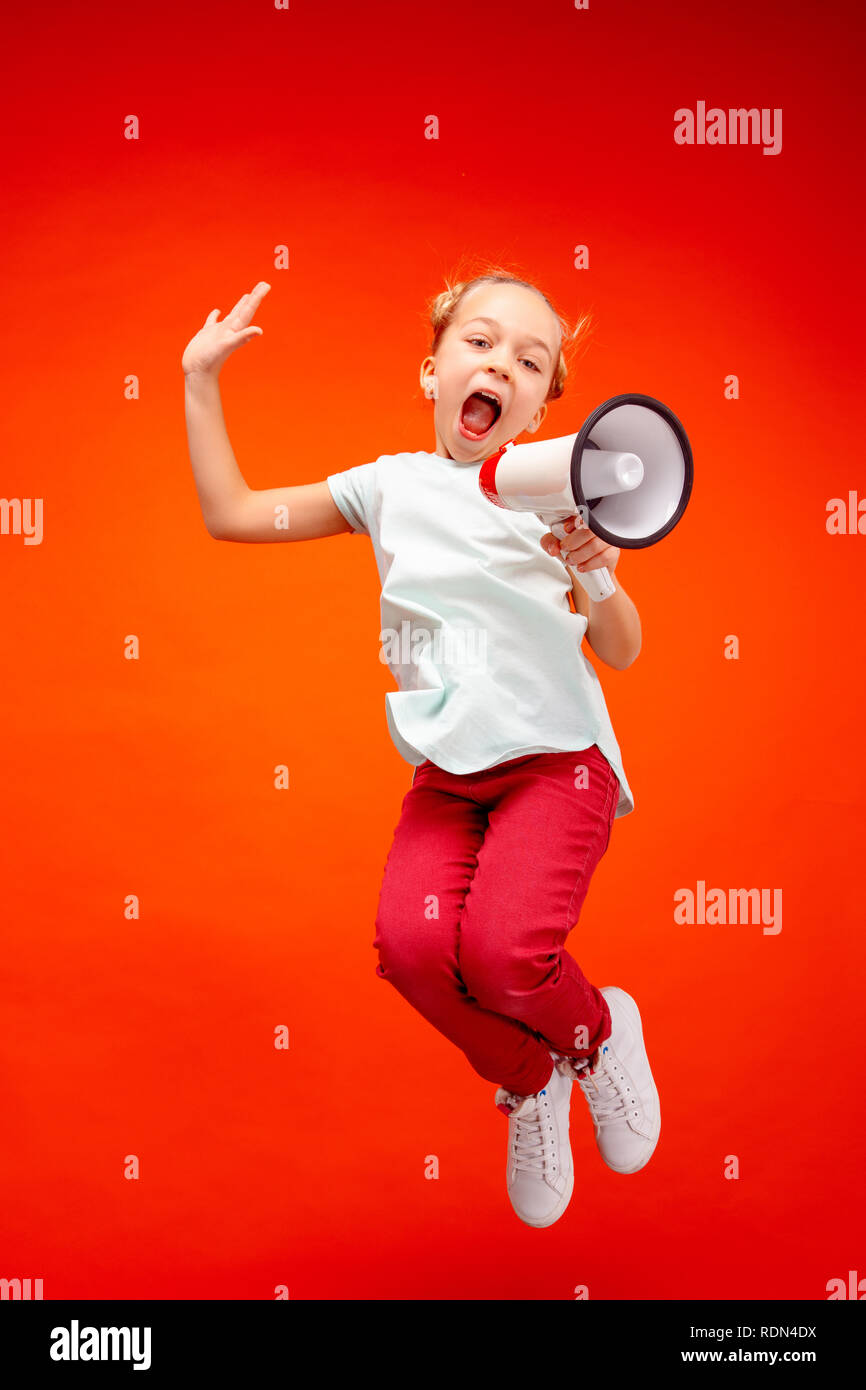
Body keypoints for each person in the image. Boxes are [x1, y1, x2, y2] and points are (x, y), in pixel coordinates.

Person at [182, 264, 660, 1229]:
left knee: (501, 953)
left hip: (557, 762)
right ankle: (533, 1081)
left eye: (531, 362)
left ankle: (601, 1039)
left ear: (536, 405)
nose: (502, 366)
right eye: (480, 343)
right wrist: (200, 379)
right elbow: (232, 514)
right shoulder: (385, 487)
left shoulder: (554, 500)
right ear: (431, 373)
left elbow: (624, 649)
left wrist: (597, 573)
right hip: (450, 775)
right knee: (409, 949)